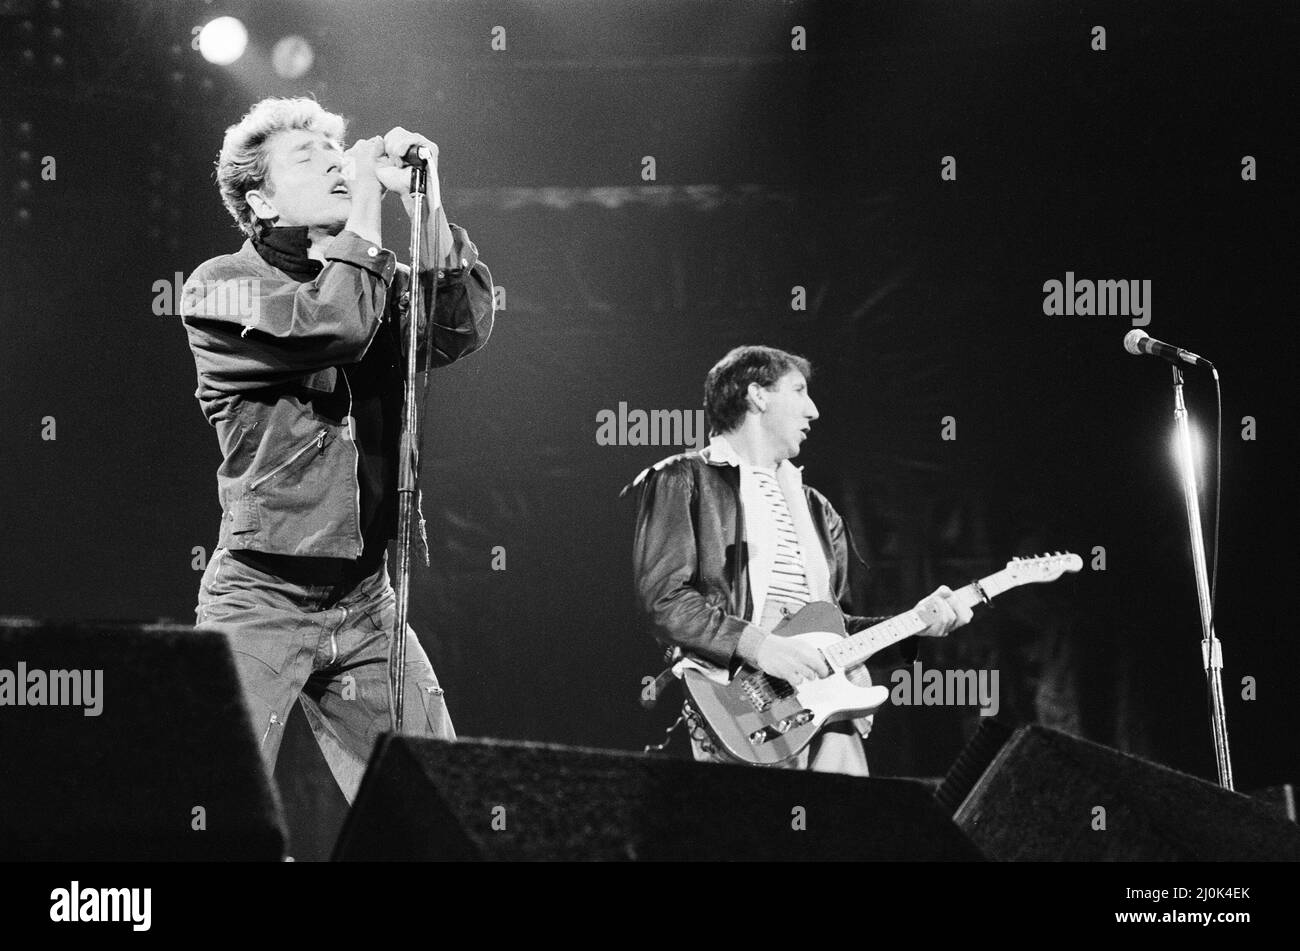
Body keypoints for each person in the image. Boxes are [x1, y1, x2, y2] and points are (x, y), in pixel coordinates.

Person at [180, 97, 494, 802]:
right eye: (308, 157)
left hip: (365, 601)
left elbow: (463, 322)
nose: (335, 162)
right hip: (261, 597)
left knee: (438, 807)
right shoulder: (219, 289)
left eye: (336, 153)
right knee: (210, 806)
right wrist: (364, 215)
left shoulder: (372, 280)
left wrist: (425, 201)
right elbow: (337, 324)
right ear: (259, 199)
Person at [629, 345, 971, 775]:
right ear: (758, 395)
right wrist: (761, 646)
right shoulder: (683, 478)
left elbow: (834, 629)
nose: (813, 411)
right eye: (799, 391)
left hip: (821, 703)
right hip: (732, 699)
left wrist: (916, 624)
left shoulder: (817, 509)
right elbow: (664, 599)